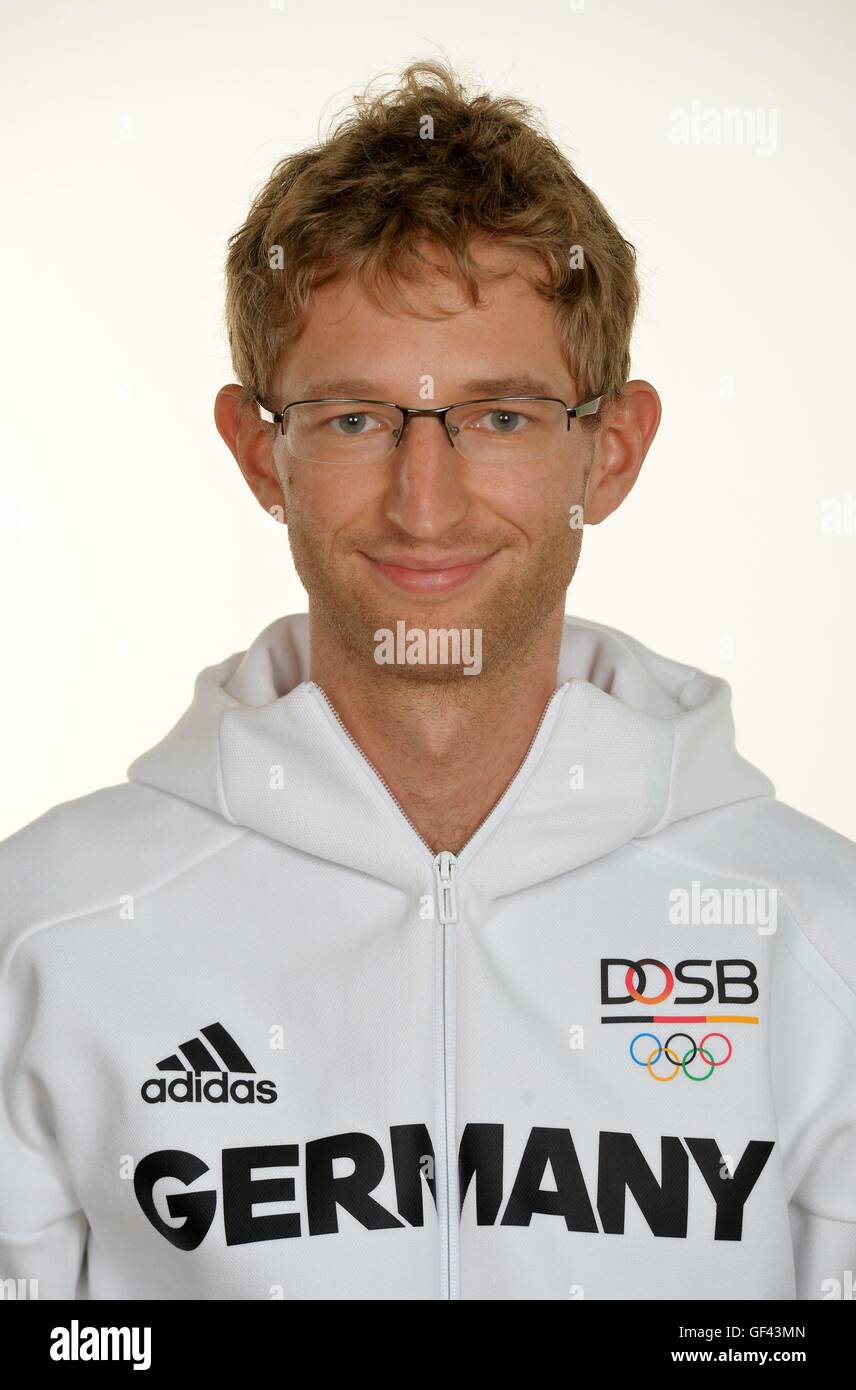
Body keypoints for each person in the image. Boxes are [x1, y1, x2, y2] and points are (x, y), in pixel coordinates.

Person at [1, 58, 854, 1303]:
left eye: (499, 416)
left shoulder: (813, 934)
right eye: (353, 418)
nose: (423, 499)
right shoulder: (48, 928)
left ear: (607, 453)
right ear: (261, 455)